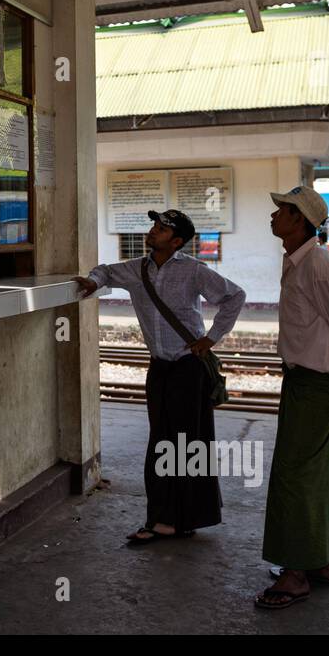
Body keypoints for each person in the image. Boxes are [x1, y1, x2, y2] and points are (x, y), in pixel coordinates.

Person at [74, 209, 246, 546]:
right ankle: (170, 518)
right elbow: (106, 271)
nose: (153, 231)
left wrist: (211, 338)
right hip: (160, 369)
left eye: (161, 229)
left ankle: (174, 519)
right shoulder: (137, 269)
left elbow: (234, 296)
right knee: (163, 443)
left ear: (177, 241)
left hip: (188, 368)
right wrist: (94, 281)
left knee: (186, 444)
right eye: (154, 225)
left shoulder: (194, 271)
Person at [256, 186, 329, 610]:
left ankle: (296, 574)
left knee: (293, 474)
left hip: (316, 383)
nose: (274, 215)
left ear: (300, 221)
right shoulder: (298, 260)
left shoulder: (317, 265)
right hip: (310, 378)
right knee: (315, 474)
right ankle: (324, 563)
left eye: (282, 210)